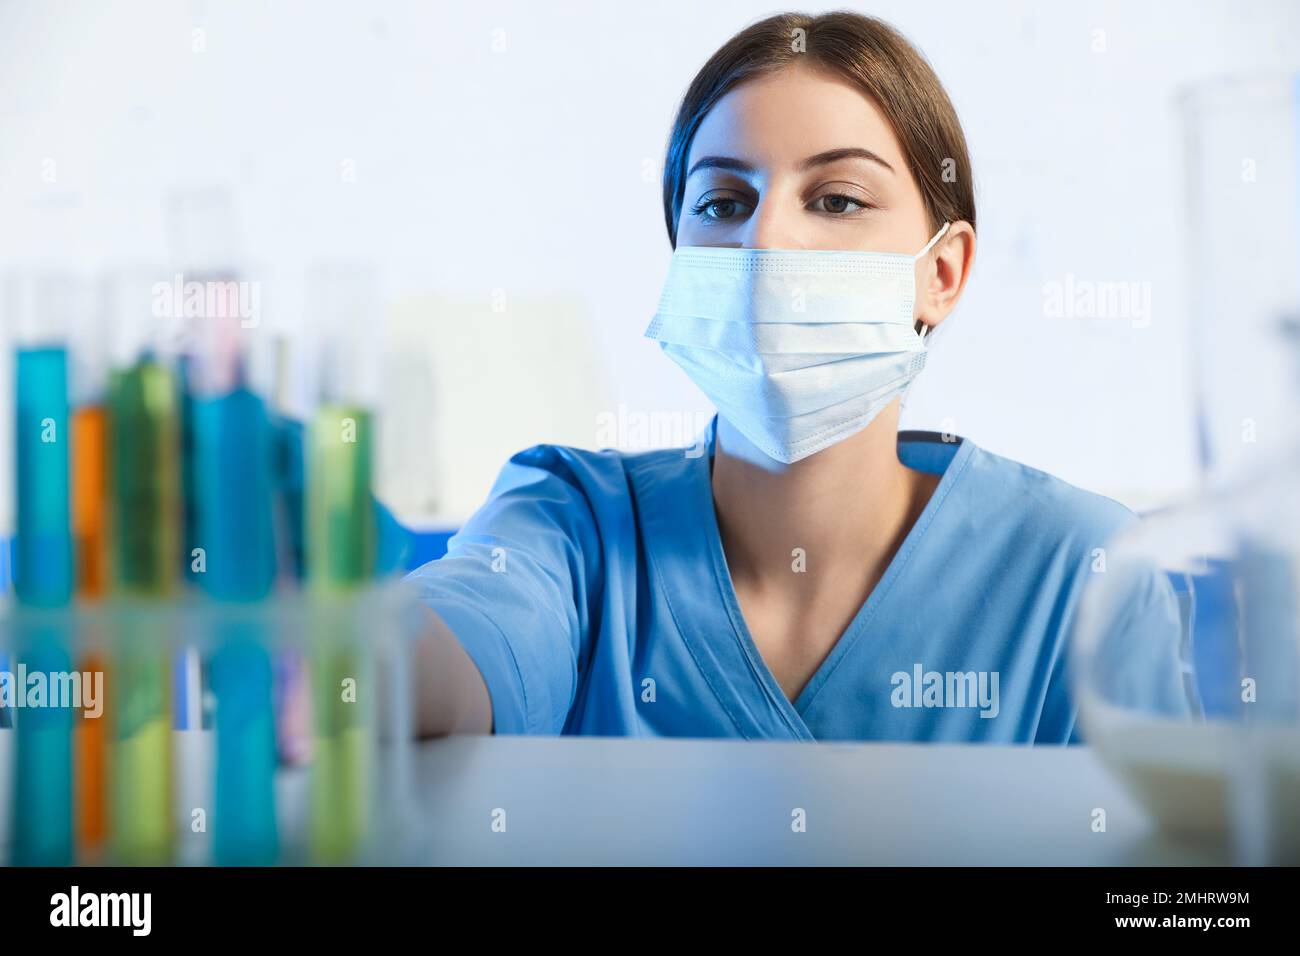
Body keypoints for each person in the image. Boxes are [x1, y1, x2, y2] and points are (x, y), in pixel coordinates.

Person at [405, 11, 1185, 742]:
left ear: (942, 272)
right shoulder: (570, 530)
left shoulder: (1078, 572)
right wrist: (319, 613)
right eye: (722, 201)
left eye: (837, 200)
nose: (764, 237)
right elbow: (424, 666)